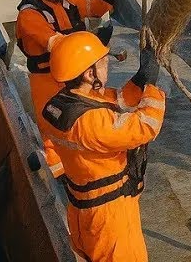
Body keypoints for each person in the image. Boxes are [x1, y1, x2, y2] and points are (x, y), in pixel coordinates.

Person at [43, 31, 164, 262]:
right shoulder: (88, 123)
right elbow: (146, 126)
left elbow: (113, 101)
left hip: (83, 210)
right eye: (104, 63)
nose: (108, 66)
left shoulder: (63, 103)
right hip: (110, 217)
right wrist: (151, 87)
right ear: (90, 74)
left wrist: (139, 80)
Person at [17, 0, 120, 178]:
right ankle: (58, 174)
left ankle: (87, 159)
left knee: (87, 113)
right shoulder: (29, 16)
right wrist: (95, 42)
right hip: (46, 79)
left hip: (72, 73)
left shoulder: (66, 0)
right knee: (52, 127)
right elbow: (57, 44)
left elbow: (93, 7)